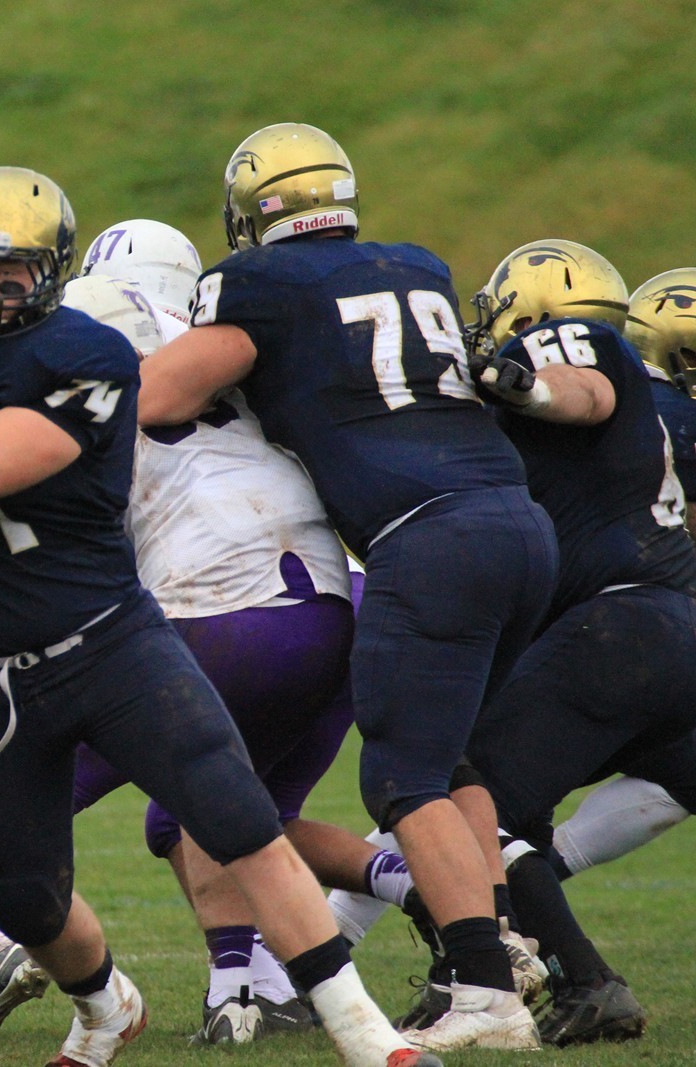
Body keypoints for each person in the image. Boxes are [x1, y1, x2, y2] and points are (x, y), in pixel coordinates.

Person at [0, 165, 436, 1067]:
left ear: (56, 276)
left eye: (14, 275)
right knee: (25, 897)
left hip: (107, 641)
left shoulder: (91, 354)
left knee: (239, 818)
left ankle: (368, 1035)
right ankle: (106, 1005)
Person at [136, 122, 554, 1053]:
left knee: (402, 775)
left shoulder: (260, 285)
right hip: (518, 522)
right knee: (454, 764)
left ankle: (485, 990)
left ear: (252, 212)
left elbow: (161, 394)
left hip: (425, 534)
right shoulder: (417, 266)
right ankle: (496, 951)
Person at [452, 239, 696, 1045]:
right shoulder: (650, 397)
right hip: (663, 630)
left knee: (475, 789)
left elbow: (578, 390)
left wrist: (516, 380)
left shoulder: (576, 350)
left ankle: (583, 979)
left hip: (620, 627)